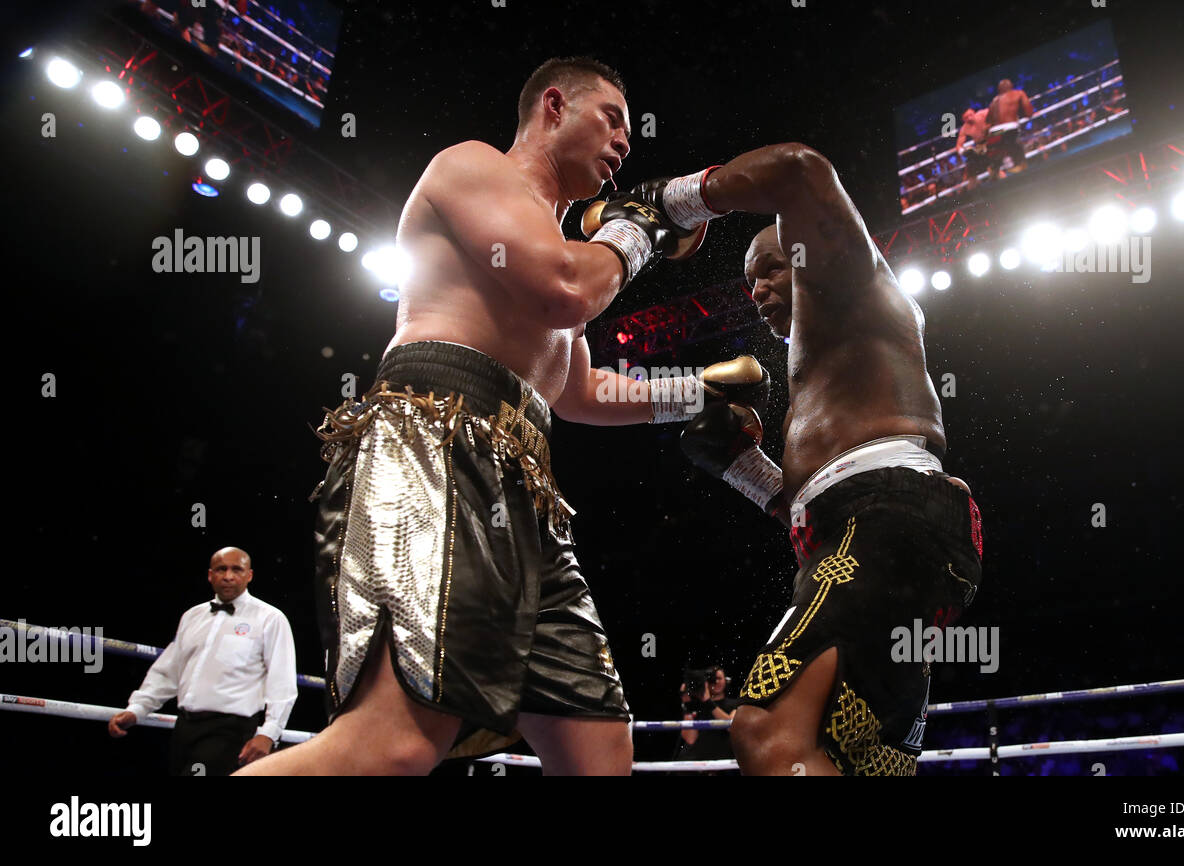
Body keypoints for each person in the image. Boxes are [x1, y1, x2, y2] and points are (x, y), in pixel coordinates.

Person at [238, 57, 766, 776]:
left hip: (527, 490)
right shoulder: (475, 169)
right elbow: (565, 291)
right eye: (610, 117)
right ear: (553, 105)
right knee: (393, 746)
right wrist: (642, 224)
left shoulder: (557, 243)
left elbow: (576, 393)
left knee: (598, 752)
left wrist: (692, 393)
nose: (624, 141)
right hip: (436, 439)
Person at [631, 144, 984, 775]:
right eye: (750, 283)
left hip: (885, 519)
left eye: (771, 269)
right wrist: (741, 465)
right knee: (854, 757)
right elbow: (808, 502)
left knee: (765, 731)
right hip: (868, 531)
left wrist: (671, 202)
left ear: (809, 255)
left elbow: (800, 170)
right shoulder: (822, 376)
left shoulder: (856, 287)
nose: (758, 289)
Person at [108, 547, 298, 776]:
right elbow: (168, 671)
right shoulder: (192, 616)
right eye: (221, 569)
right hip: (185, 727)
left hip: (230, 730)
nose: (228, 576)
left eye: (236, 569)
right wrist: (137, 709)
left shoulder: (270, 619)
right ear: (210, 575)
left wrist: (269, 733)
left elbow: (282, 682)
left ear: (249, 575)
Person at [675, 665, 739, 763]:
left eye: (719, 678)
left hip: (722, 764)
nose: (716, 682)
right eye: (712, 679)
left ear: (726, 680)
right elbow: (690, 739)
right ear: (705, 682)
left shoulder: (735, 704)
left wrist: (707, 701)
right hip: (697, 763)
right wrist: (686, 703)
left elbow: (731, 726)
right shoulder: (696, 706)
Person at [984, 78, 1034, 176]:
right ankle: (1021, 167)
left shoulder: (994, 101)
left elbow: (987, 122)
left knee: (1004, 146)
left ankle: (996, 168)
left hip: (995, 132)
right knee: (1015, 145)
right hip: (1009, 128)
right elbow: (1029, 112)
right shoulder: (1018, 93)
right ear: (1011, 86)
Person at [955, 107, 991, 190]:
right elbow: (958, 146)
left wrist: (990, 125)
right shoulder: (964, 128)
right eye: (966, 118)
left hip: (992, 139)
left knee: (993, 166)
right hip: (980, 146)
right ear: (963, 120)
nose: (969, 118)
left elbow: (996, 111)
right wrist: (963, 151)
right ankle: (971, 193)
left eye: (970, 115)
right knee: (970, 168)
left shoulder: (983, 114)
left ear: (974, 113)